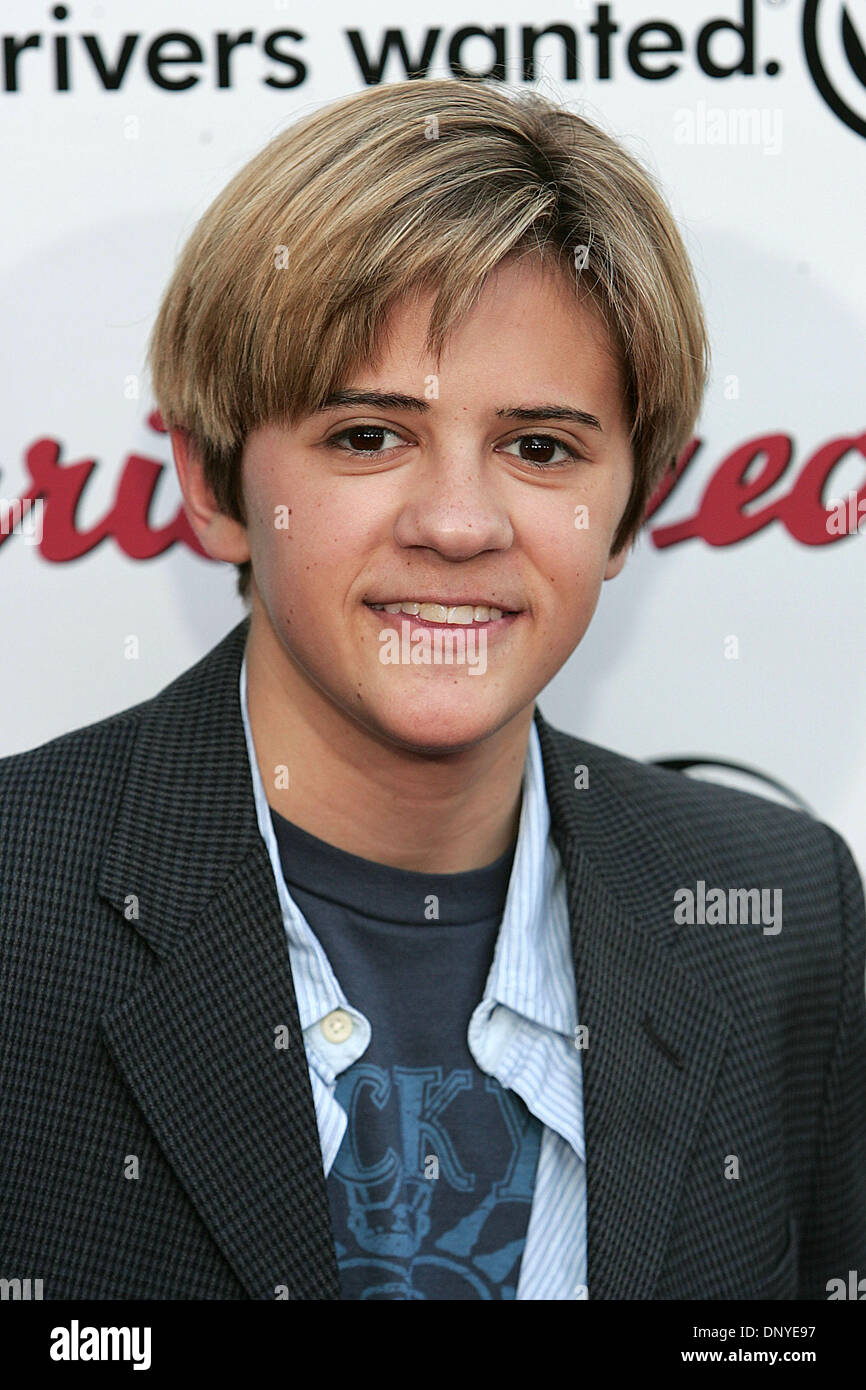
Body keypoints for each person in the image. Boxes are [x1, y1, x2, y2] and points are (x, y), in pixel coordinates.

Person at [1, 78, 863, 1302]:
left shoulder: (783, 919)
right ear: (209, 481)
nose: (458, 523)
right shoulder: (16, 902)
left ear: (631, 507)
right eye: (368, 435)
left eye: (540, 447)